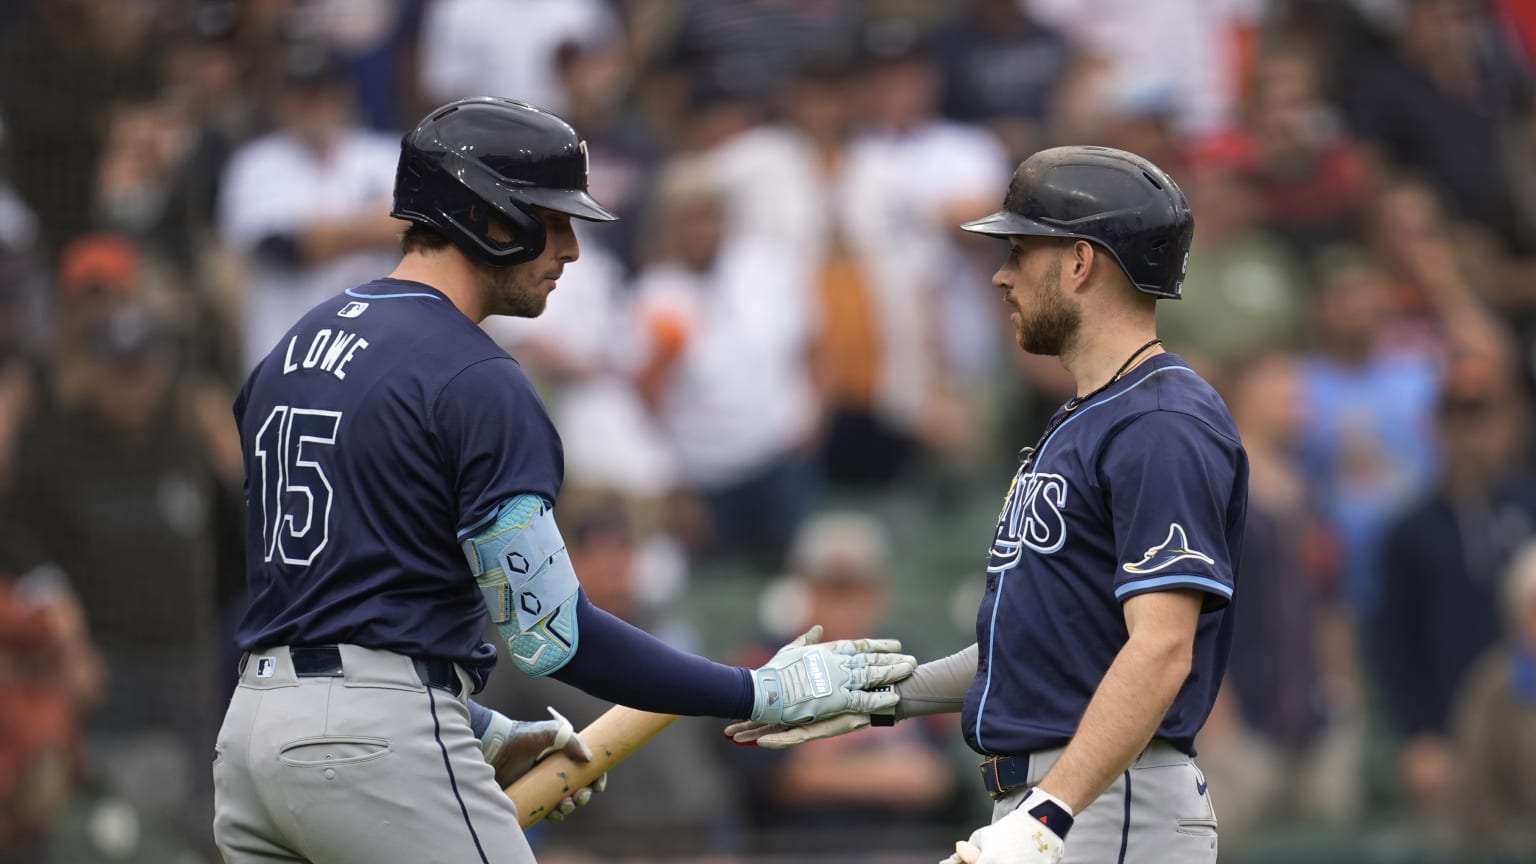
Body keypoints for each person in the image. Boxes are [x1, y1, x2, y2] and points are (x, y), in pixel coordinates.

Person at [211, 97, 914, 864]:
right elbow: (554, 635)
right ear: (486, 216)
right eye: (552, 218)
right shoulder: (473, 373)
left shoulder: (291, 347)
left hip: (252, 734)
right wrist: (756, 692)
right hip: (376, 748)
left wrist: (476, 725)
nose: (572, 250)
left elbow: (330, 592)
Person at [730, 146, 1247, 864]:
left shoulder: (1161, 421)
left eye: (1019, 251)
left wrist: (1049, 815)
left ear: (1079, 263)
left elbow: (1161, 647)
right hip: (1068, 799)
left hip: (1107, 803)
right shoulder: (1085, 417)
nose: (1001, 276)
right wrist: (874, 695)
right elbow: (1034, 647)